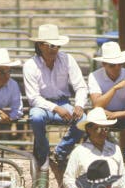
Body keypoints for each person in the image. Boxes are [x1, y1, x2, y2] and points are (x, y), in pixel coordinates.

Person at [23, 23, 88, 178]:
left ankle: (60, 152)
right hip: (42, 104)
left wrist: (79, 105)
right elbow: (33, 98)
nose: (55, 49)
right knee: (36, 117)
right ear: (40, 45)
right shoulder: (30, 65)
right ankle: (43, 154)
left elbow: (81, 86)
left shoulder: (67, 59)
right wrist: (56, 108)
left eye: (57, 46)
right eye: (51, 45)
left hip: (62, 102)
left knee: (83, 120)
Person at [88, 41, 125, 174]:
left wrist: (116, 115)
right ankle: (92, 155)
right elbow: (97, 105)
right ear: (104, 65)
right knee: (85, 124)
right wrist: (115, 88)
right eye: (112, 65)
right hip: (103, 116)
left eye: (119, 64)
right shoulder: (94, 76)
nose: (117, 68)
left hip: (122, 115)